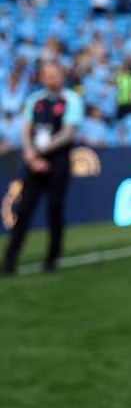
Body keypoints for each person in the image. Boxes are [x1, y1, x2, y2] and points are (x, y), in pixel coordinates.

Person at [3, 60, 84, 274]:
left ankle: (52, 258)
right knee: (24, 210)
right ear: (42, 77)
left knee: (54, 209)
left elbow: (67, 133)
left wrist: (39, 152)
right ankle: (9, 261)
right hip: (33, 161)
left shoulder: (71, 100)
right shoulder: (34, 100)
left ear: (62, 76)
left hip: (58, 161)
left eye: (55, 74)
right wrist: (30, 154)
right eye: (47, 74)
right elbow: (26, 128)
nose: (51, 78)